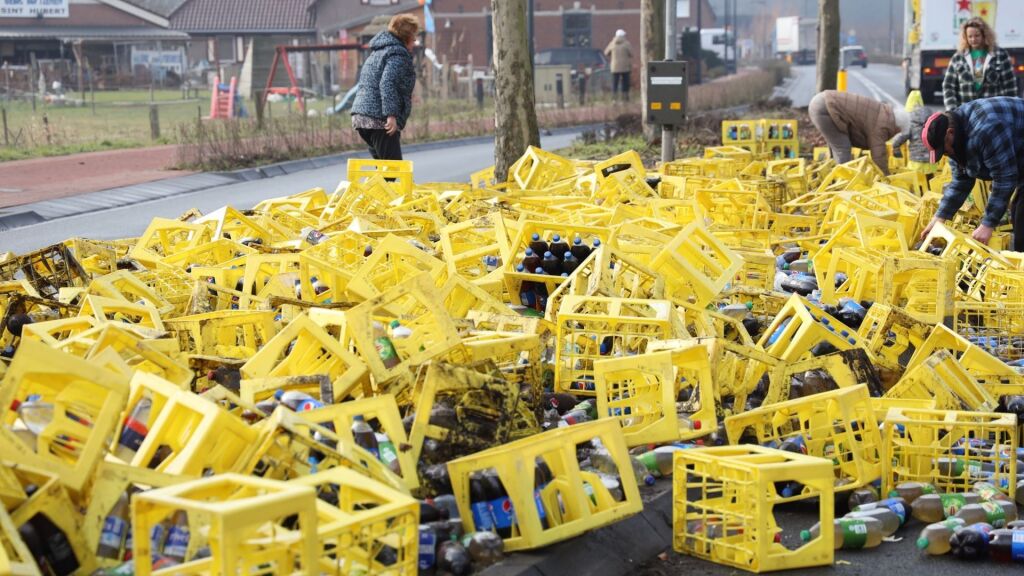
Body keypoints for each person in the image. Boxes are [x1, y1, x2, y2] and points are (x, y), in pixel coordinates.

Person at [919, 98, 1024, 250]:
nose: (947, 155)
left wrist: (988, 224)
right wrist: (939, 217)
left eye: (945, 150)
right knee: (1019, 216)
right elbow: (961, 182)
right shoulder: (956, 134)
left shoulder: (986, 130)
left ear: (950, 133)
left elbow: (1005, 178)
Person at [351, 14, 419, 160]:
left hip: (362, 117)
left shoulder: (379, 51)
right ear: (406, 37)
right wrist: (391, 115)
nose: (414, 42)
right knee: (392, 171)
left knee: (383, 171)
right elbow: (388, 82)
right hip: (379, 119)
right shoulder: (397, 54)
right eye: (413, 38)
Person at [808, 90, 910, 176]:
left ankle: (832, 175)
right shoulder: (883, 125)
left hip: (823, 101)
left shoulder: (884, 112)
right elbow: (878, 154)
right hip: (826, 108)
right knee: (842, 148)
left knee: (835, 146)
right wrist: (886, 176)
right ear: (897, 127)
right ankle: (844, 183)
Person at [942, 17, 1017, 111]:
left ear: (984, 35)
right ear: (965, 37)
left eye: (977, 35)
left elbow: (1010, 85)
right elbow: (948, 86)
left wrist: (1011, 110)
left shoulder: (1000, 55)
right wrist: (952, 111)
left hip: (994, 112)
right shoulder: (958, 57)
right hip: (966, 114)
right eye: (970, 36)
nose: (973, 39)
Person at [604, 29, 633, 102]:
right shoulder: (627, 43)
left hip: (615, 67)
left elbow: (606, 53)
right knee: (625, 83)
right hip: (625, 67)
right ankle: (625, 98)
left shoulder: (612, 43)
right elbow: (631, 54)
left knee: (615, 83)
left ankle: (614, 99)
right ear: (623, 35)